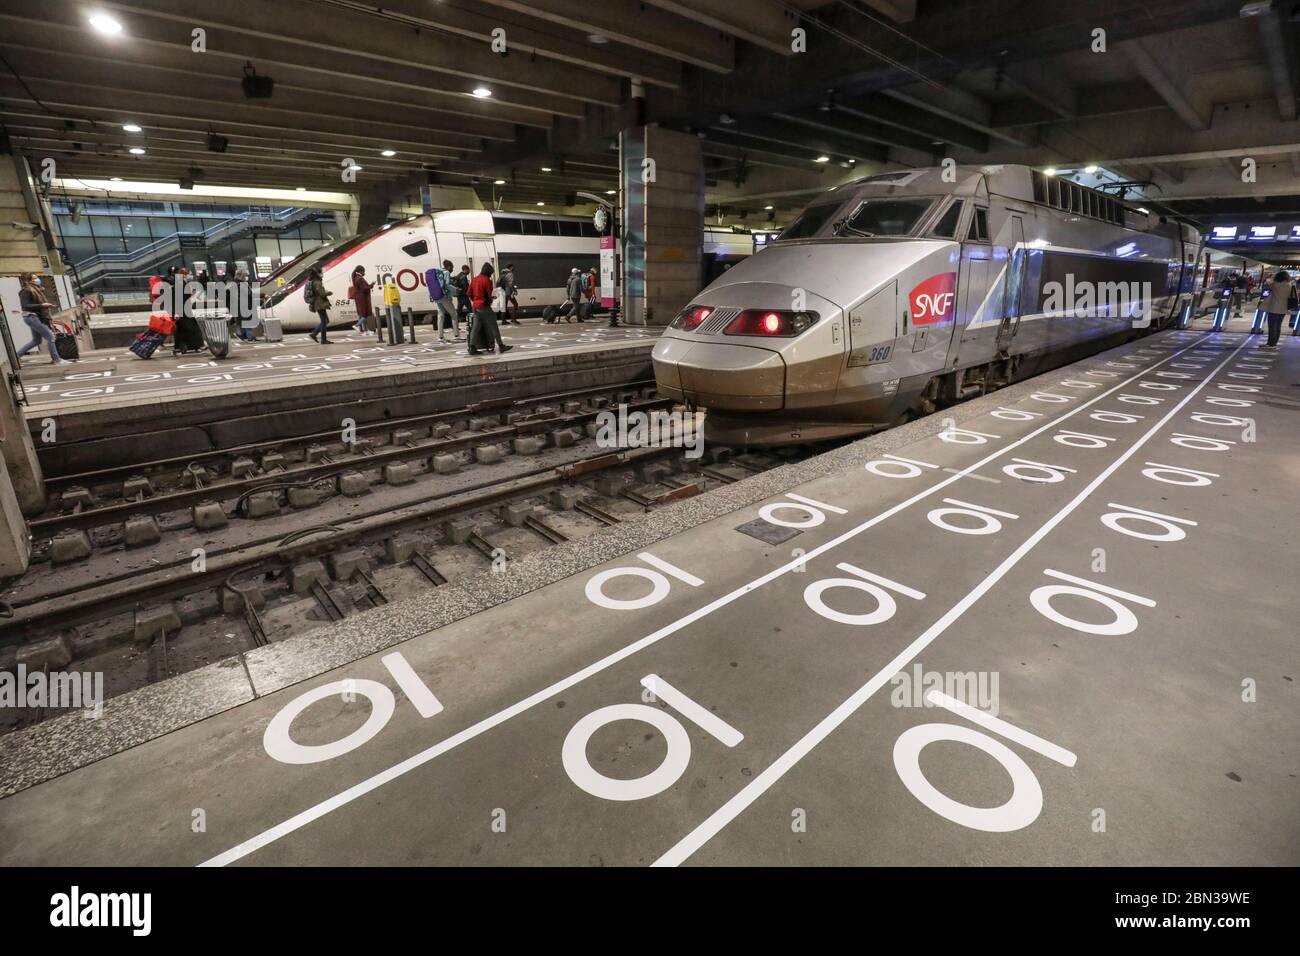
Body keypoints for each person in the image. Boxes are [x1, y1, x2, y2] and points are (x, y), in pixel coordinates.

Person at [15, 272, 67, 366]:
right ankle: (56, 359)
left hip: (35, 317)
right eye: (35, 278)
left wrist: (46, 306)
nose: (38, 279)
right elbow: (25, 306)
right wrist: (42, 305)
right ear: (29, 281)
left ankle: (16, 357)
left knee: (36, 341)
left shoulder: (37, 290)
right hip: (31, 317)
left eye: (37, 277)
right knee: (50, 337)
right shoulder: (26, 291)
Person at [467, 262, 512, 357]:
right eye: (490, 273)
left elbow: (469, 293)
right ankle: (501, 346)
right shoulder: (487, 280)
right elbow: (490, 295)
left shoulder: (474, 279)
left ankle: (472, 348)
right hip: (484, 306)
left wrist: (475, 300)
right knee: (494, 326)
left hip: (475, 306)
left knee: (475, 327)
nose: (491, 275)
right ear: (488, 272)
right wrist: (492, 299)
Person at [171, 266, 207, 354]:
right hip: (182, 311)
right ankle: (196, 346)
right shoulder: (181, 284)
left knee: (183, 329)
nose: (191, 276)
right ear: (184, 275)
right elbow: (178, 299)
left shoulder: (183, 283)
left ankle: (183, 348)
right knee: (190, 328)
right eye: (189, 274)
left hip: (184, 310)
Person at [426, 259, 459, 342]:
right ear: (449, 266)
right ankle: (456, 335)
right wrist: (456, 290)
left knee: (440, 315)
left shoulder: (438, 272)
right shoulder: (446, 272)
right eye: (452, 267)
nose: (452, 269)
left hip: (437, 297)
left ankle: (440, 336)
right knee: (454, 314)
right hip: (444, 297)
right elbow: (447, 285)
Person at [1262, 270, 1293, 349]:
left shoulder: (1276, 284)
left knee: (1272, 326)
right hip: (1284, 308)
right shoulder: (1290, 284)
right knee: (1278, 326)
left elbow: (1266, 285)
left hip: (1274, 308)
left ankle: (1270, 343)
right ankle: (1274, 342)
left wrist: (1271, 277)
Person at [306, 266, 333, 344]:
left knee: (325, 321)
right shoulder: (318, 282)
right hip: (320, 304)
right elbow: (321, 293)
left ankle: (315, 334)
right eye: (321, 272)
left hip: (316, 303)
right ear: (318, 273)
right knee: (324, 321)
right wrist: (328, 292)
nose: (322, 274)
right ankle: (320, 337)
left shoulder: (313, 282)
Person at [229, 268, 258, 341]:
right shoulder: (242, 284)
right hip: (245, 305)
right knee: (247, 322)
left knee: (242, 322)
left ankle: (242, 335)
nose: (246, 277)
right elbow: (249, 294)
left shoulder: (234, 284)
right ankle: (250, 337)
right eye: (245, 276)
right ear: (242, 276)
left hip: (238, 306)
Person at [350, 265, 374, 334]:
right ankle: (357, 325)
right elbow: (364, 288)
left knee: (361, 313)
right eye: (364, 271)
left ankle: (365, 330)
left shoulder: (355, 277)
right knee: (365, 314)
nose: (364, 273)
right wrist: (372, 284)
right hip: (362, 297)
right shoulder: (359, 278)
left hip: (358, 297)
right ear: (361, 271)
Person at [382, 274, 402, 339]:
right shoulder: (388, 289)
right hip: (391, 304)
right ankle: (396, 338)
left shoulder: (390, 289)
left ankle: (396, 338)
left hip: (393, 304)